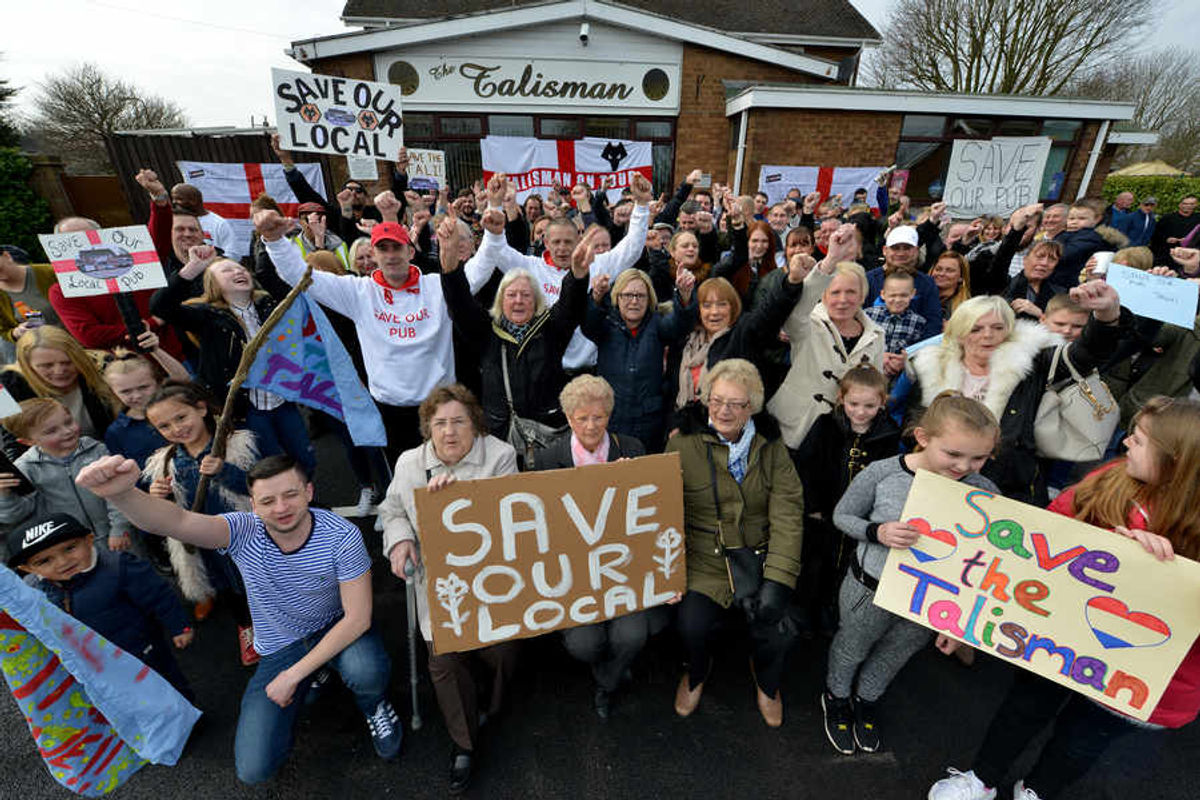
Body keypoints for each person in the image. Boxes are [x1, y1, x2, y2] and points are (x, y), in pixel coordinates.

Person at [928, 397, 1200, 800]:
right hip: (1061, 639)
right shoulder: (1111, 480)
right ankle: (982, 778)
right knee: (1023, 709)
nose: (1125, 443)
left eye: (1139, 440)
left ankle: (1035, 790)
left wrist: (1170, 571)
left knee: (1082, 740)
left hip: (1140, 675)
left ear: (1175, 460)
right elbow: (1045, 538)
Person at [75, 453, 401, 784]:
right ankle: (318, 673)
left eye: (290, 494)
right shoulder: (243, 530)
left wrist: (292, 675)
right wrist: (122, 494)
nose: (281, 508)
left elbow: (358, 619)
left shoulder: (341, 535)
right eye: (268, 500)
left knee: (366, 671)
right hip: (282, 644)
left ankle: (372, 704)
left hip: (335, 626)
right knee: (253, 769)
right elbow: (177, 522)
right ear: (254, 506)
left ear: (309, 492)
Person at [822, 393, 1000, 755]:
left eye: (979, 458)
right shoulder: (883, 472)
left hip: (928, 599)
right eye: (953, 454)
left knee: (896, 653)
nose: (964, 466)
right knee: (852, 646)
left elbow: (987, 557)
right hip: (868, 588)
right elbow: (843, 515)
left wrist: (959, 623)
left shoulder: (983, 491)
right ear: (922, 437)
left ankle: (866, 698)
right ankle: (836, 696)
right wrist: (878, 532)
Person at [378, 384, 518, 793]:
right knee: (443, 658)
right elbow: (392, 509)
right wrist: (401, 539)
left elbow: (513, 515)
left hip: (494, 574)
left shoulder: (501, 455)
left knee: (505, 651)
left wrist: (461, 499)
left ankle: (492, 708)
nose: (449, 431)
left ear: (474, 423)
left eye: (459, 421)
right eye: (440, 423)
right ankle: (465, 742)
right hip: (438, 579)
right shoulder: (408, 463)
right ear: (428, 429)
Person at [667, 359, 804, 727]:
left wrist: (779, 577)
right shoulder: (681, 444)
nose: (724, 410)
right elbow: (661, 508)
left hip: (758, 556)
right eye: (717, 400)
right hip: (704, 560)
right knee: (691, 627)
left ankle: (767, 681)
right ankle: (696, 672)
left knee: (776, 629)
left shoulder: (772, 447)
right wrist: (668, 572)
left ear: (752, 407)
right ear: (706, 399)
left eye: (736, 404)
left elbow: (789, 513)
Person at [257, 209, 455, 462]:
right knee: (408, 480)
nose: (391, 255)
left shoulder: (437, 285)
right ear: (374, 255)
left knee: (449, 474)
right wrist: (274, 241)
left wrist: (494, 228)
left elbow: (479, 271)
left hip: (441, 405)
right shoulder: (358, 291)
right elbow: (300, 276)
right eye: (383, 249)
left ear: (411, 251)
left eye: (397, 247)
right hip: (391, 411)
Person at [906, 282, 1125, 505]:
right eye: (976, 329)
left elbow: (1088, 353)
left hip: (1010, 488)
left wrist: (1107, 314)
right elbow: (914, 427)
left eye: (998, 328)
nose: (988, 335)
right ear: (960, 334)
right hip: (938, 483)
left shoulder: (1033, 362)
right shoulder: (933, 367)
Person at [535, 375, 666, 718]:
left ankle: (606, 683)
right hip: (575, 573)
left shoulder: (633, 449)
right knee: (583, 643)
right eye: (582, 418)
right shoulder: (550, 458)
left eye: (599, 416)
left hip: (624, 568)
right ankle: (610, 670)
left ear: (609, 414)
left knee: (633, 634)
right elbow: (541, 528)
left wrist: (632, 482)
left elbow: (653, 515)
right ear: (568, 419)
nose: (591, 426)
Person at [150, 243, 316, 477]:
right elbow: (160, 306)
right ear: (213, 284)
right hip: (246, 409)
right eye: (227, 271)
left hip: (282, 399)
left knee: (305, 456)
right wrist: (193, 267)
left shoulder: (267, 305)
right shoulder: (208, 317)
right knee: (269, 466)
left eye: (240, 269)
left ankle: (310, 503)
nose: (238, 272)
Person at [437, 216, 593, 466]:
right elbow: (459, 303)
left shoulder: (551, 329)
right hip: (500, 437)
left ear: (536, 300)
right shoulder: (487, 332)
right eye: (511, 295)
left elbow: (571, 305)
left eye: (525, 295)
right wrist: (449, 261)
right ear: (501, 300)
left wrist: (578, 274)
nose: (518, 300)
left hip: (546, 439)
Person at [464, 173, 652, 372]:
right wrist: (494, 205)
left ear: (578, 241)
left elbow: (631, 249)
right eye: (556, 242)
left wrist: (641, 205)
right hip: (545, 371)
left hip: (587, 371)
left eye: (568, 242)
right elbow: (497, 249)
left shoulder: (596, 265)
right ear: (545, 243)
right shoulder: (530, 267)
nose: (562, 248)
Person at [7, 512, 194, 699]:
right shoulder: (34, 592)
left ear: (89, 540)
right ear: (28, 569)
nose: (63, 562)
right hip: (94, 663)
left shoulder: (118, 566)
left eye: (70, 548)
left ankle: (190, 717)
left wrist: (179, 626)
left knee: (167, 686)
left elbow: (158, 595)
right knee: (121, 698)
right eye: (45, 561)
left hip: (143, 650)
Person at [144, 381, 258, 661]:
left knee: (256, 579)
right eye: (165, 427)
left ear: (201, 408)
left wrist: (225, 472)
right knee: (228, 587)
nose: (176, 429)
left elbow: (261, 487)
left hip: (241, 534)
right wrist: (160, 496)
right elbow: (170, 514)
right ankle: (247, 627)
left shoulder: (237, 444)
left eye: (181, 417)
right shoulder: (167, 461)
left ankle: (281, 618)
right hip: (205, 543)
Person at [792, 364, 900, 637]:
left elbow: (890, 479)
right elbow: (806, 467)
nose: (860, 412)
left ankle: (834, 612)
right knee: (816, 564)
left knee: (848, 567)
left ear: (882, 403)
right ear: (841, 398)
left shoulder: (889, 435)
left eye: (869, 406)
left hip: (861, 518)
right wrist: (812, 506)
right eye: (853, 404)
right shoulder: (826, 426)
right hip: (824, 512)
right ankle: (806, 612)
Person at [769, 224, 886, 450]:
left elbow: (876, 384)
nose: (843, 299)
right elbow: (797, 308)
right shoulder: (806, 321)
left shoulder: (876, 335)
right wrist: (831, 260)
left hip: (842, 435)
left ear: (862, 295)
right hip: (796, 429)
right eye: (835, 292)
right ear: (822, 294)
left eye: (851, 292)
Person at [583, 268, 696, 451]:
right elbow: (589, 323)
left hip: (650, 424)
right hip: (612, 421)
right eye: (627, 295)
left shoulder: (657, 324)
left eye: (640, 296)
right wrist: (596, 296)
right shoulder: (606, 325)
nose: (634, 301)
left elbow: (679, 325)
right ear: (617, 298)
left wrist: (684, 296)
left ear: (649, 299)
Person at [0, 398, 132, 551]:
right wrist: (4, 495)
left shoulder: (96, 450)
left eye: (68, 422)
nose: (67, 431)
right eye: (51, 431)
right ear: (28, 442)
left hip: (118, 538)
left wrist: (120, 528)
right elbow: (17, 516)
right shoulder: (26, 468)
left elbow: (117, 492)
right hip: (70, 548)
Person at [2, 325, 118, 442]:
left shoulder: (103, 366)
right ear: (26, 365)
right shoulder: (4, 389)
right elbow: (11, 441)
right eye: (47, 366)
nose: (59, 371)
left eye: (67, 362)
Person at [865, 225, 943, 340]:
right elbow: (858, 319)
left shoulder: (927, 283)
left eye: (907, 248)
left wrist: (910, 353)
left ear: (916, 251)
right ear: (885, 250)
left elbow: (933, 324)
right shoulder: (868, 279)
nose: (901, 253)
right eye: (895, 248)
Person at [0, 245, 58, 345]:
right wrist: (16, 332)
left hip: (76, 345)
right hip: (38, 351)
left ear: (7, 256)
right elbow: (4, 331)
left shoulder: (49, 273)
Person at [170, 181, 242, 262]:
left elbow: (234, 255)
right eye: (180, 229)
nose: (174, 202)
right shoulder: (173, 221)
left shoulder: (218, 224)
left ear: (193, 200)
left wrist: (207, 262)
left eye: (179, 199)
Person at [865, 271, 928, 356]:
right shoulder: (868, 315)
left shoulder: (918, 322)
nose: (898, 300)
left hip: (900, 366)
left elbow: (916, 351)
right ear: (883, 294)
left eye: (904, 295)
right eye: (892, 295)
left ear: (913, 294)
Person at [1151, 195, 1197, 264]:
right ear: (1180, 205)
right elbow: (1155, 235)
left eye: (1192, 204)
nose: (1188, 206)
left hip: (1189, 258)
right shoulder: (1167, 218)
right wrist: (1166, 239)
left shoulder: (1198, 219)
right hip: (1167, 257)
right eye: (1185, 203)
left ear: (1196, 205)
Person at [930, 251, 972, 318]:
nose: (941, 274)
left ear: (961, 277)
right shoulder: (918, 298)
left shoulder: (967, 308)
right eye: (938, 269)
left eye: (949, 271)